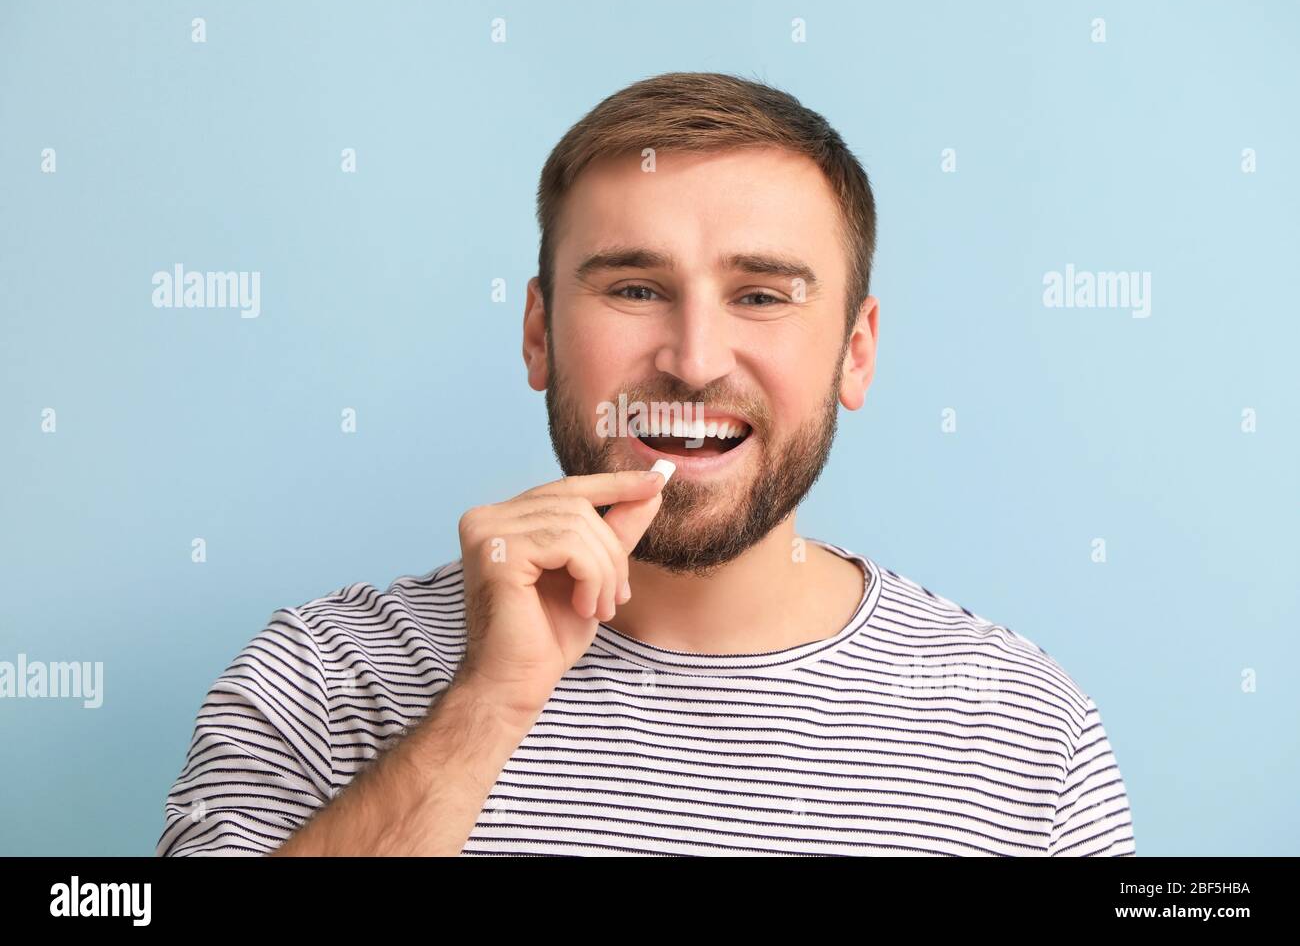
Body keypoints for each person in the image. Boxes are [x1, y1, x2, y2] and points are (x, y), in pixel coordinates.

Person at [156, 72, 1135, 857]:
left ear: (856, 352)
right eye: (633, 286)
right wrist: (486, 706)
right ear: (539, 331)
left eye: (760, 295)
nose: (695, 356)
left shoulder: (1023, 729)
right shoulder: (323, 682)